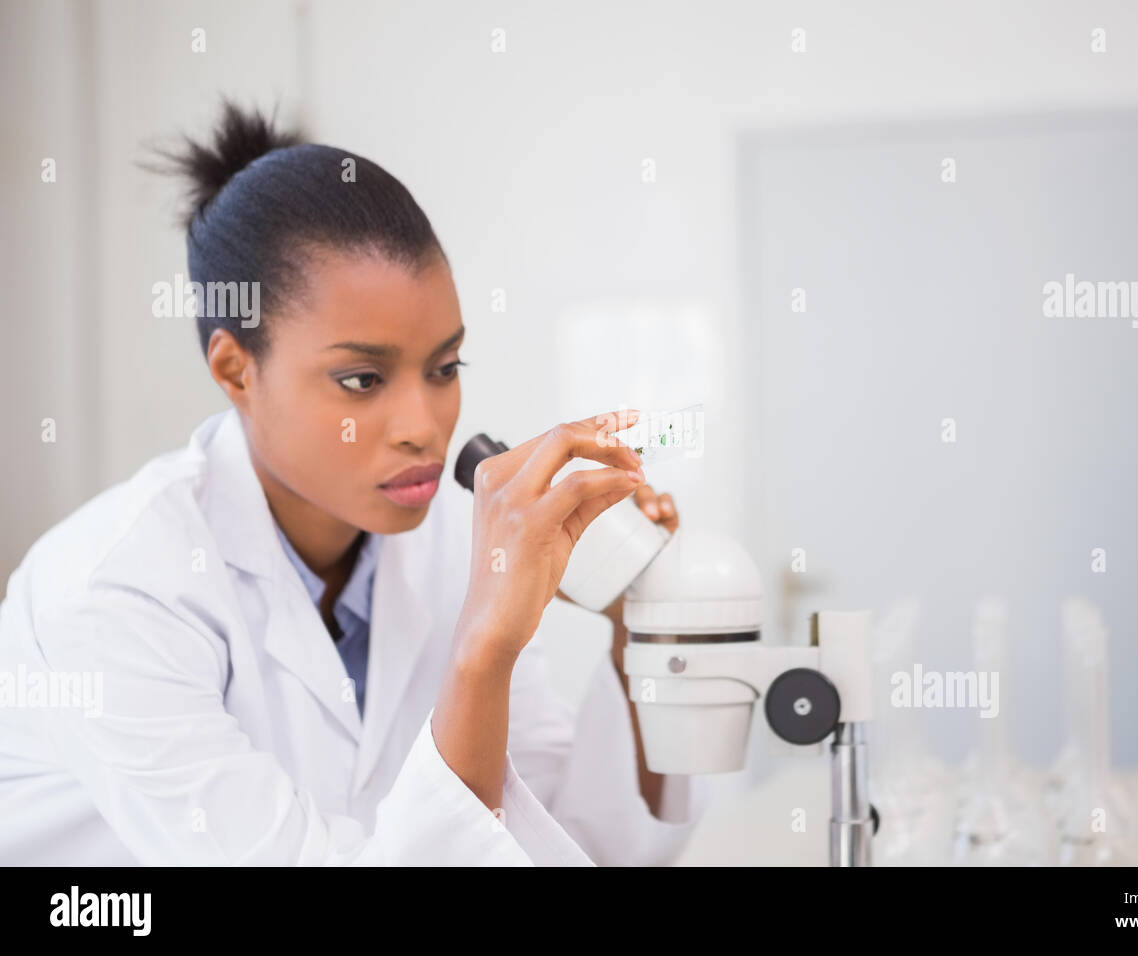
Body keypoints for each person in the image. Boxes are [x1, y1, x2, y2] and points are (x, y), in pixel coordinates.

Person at [0, 100, 707, 865]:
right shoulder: (114, 591)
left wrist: (640, 627)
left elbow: (569, 846)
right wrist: (483, 646)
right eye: (362, 379)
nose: (423, 425)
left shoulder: (437, 548)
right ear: (237, 370)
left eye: (444, 369)